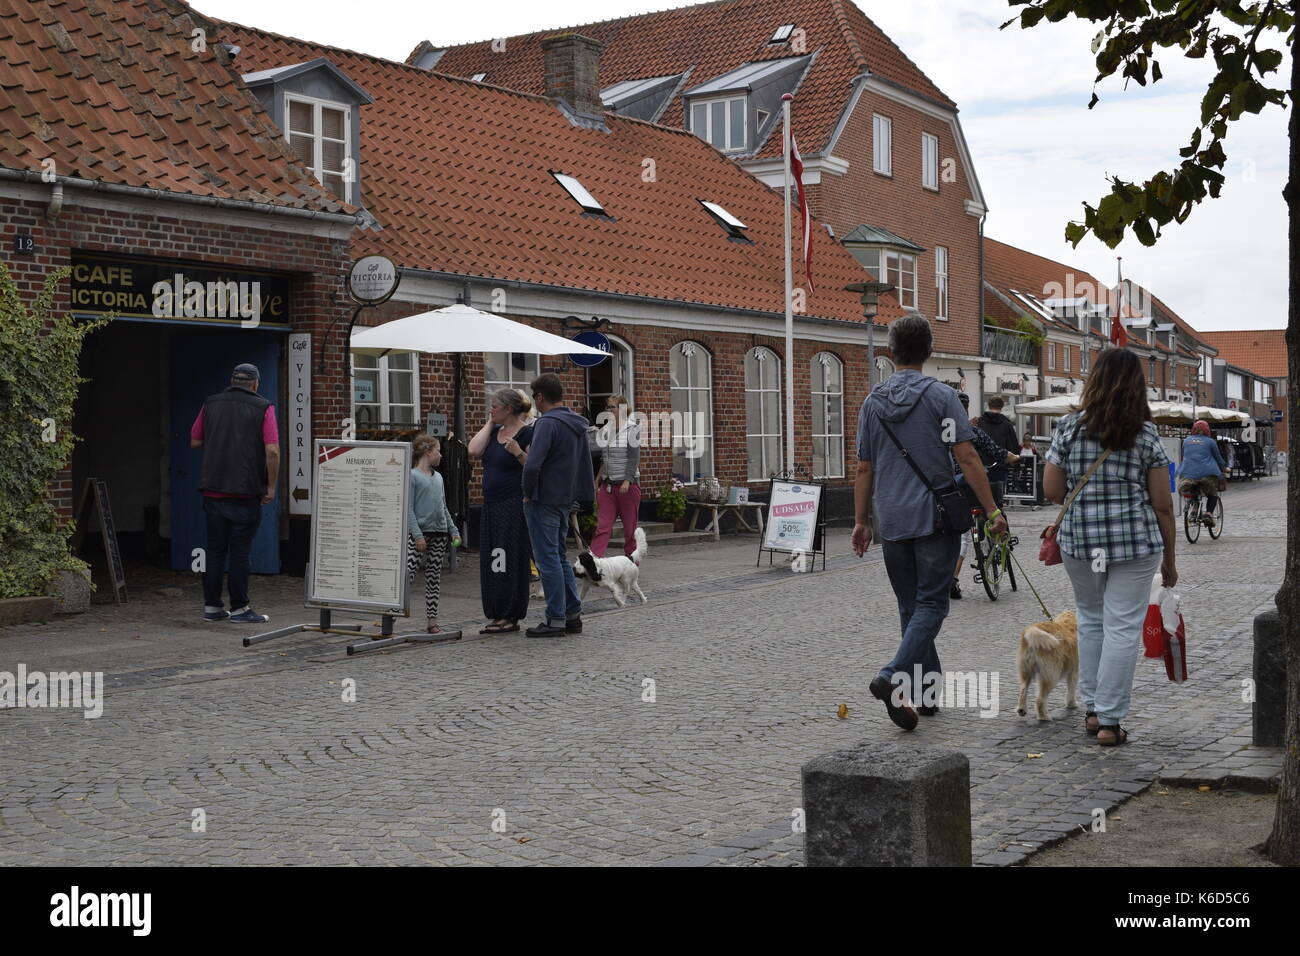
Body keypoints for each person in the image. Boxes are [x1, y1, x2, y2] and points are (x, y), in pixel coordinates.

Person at [853, 315, 1007, 730]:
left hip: (892, 519)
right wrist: (993, 510)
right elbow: (968, 457)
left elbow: (864, 469)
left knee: (911, 607)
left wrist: (861, 521)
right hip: (935, 517)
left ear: (890, 351)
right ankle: (891, 676)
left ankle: (925, 693)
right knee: (932, 605)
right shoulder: (942, 397)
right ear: (929, 351)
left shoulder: (872, 403)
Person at [1044, 347, 1177, 747]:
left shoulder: (1068, 428)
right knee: (1122, 627)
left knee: (1090, 619)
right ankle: (1110, 720)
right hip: (1134, 542)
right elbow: (1163, 504)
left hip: (1081, 542)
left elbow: (1051, 490)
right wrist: (1170, 559)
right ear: (1137, 386)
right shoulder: (1146, 434)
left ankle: (1092, 710)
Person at [190, 362, 278, 624]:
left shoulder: (211, 403)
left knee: (215, 550)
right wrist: (271, 487)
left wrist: (220, 440)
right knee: (239, 551)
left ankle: (212, 607)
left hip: (214, 489)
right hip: (245, 491)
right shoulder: (264, 407)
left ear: (232, 380)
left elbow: (195, 440)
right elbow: (272, 451)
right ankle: (240, 608)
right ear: (255, 384)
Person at [521, 373, 595, 638]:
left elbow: (532, 465)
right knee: (559, 557)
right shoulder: (575, 424)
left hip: (544, 498)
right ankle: (572, 614)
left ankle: (555, 619)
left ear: (540, 397)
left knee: (547, 559)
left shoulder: (547, 424)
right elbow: (586, 463)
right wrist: (587, 498)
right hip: (566, 499)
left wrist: (528, 492)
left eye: (534, 397)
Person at [468, 388, 535, 633]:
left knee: (510, 560)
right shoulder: (494, 432)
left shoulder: (528, 433)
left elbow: (534, 467)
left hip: (513, 506)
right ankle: (496, 611)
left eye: (495, 406)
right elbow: (473, 450)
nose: (491, 409)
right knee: (493, 560)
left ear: (509, 409)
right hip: (491, 505)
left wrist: (518, 453)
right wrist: (490, 423)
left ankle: (510, 613)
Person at [949, 391, 1019, 600]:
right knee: (994, 511)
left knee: (961, 535)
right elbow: (998, 452)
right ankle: (998, 542)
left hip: (950, 490)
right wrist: (1014, 457)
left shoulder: (938, 432)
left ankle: (953, 576)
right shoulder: (972, 431)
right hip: (975, 486)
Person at [406, 435, 460, 634]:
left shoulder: (438, 477)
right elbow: (409, 509)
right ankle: (393, 615)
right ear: (428, 452)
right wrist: (417, 535)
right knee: (408, 574)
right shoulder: (412, 476)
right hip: (421, 534)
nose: (441, 454)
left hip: (439, 533)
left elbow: (442, 507)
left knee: (433, 578)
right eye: (438, 450)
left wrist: (453, 530)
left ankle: (432, 621)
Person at [591, 393, 642, 559]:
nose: (609, 410)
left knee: (629, 530)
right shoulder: (605, 429)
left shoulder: (632, 428)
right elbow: (604, 459)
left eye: (612, 407)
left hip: (627, 486)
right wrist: (598, 480)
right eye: (608, 407)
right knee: (602, 526)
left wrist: (628, 480)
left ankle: (631, 562)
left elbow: (634, 458)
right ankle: (593, 561)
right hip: (608, 486)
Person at [1176, 420, 1226, 525]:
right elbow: (1218, 458)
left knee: (1194, 489)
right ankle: (1208, 514)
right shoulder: (1211, 442)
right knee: (1212, 494)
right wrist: (1224, 468)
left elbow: (1186, 457)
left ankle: (1194, 510)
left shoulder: (1186, 441)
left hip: (1187, 474)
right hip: (1207, 474)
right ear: (1207, 430)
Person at [978, 396, 1019, 510]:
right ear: (1002, 407)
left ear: (988, 405)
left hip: (980, 466)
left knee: (980, 499)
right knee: (998, 500)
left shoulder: (979, 422)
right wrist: (1015, 462)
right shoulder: (1006, 424)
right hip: (1000, 466)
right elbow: (1013, 446)